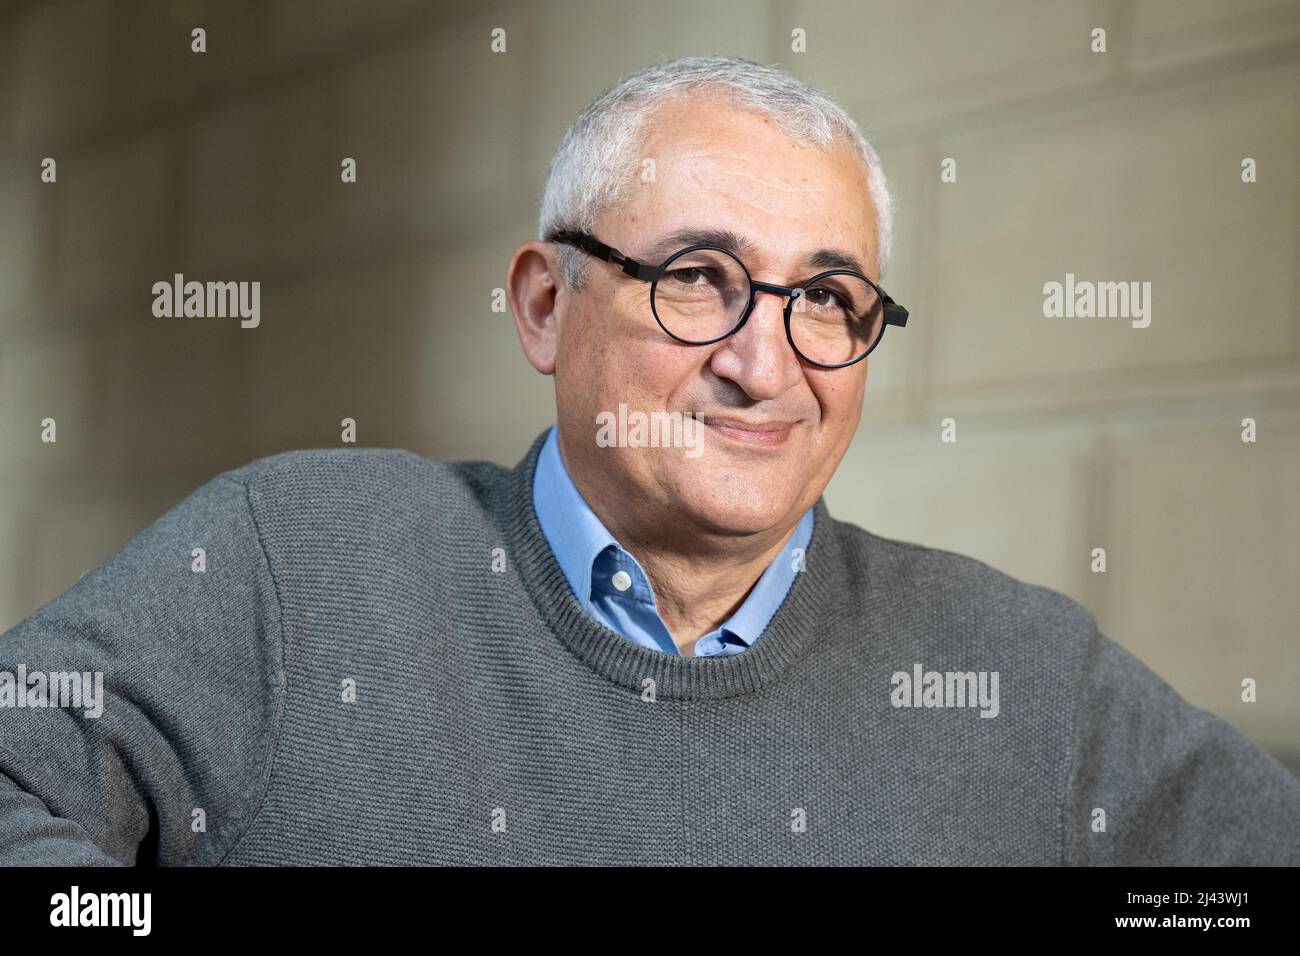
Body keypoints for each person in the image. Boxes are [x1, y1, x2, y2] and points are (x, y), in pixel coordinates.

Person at [1, 56, 1296, 866]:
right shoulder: (299, 563)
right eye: (700, 280)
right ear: (545, 308)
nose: (765, 362)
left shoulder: (1017, 674)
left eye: (829, 299)